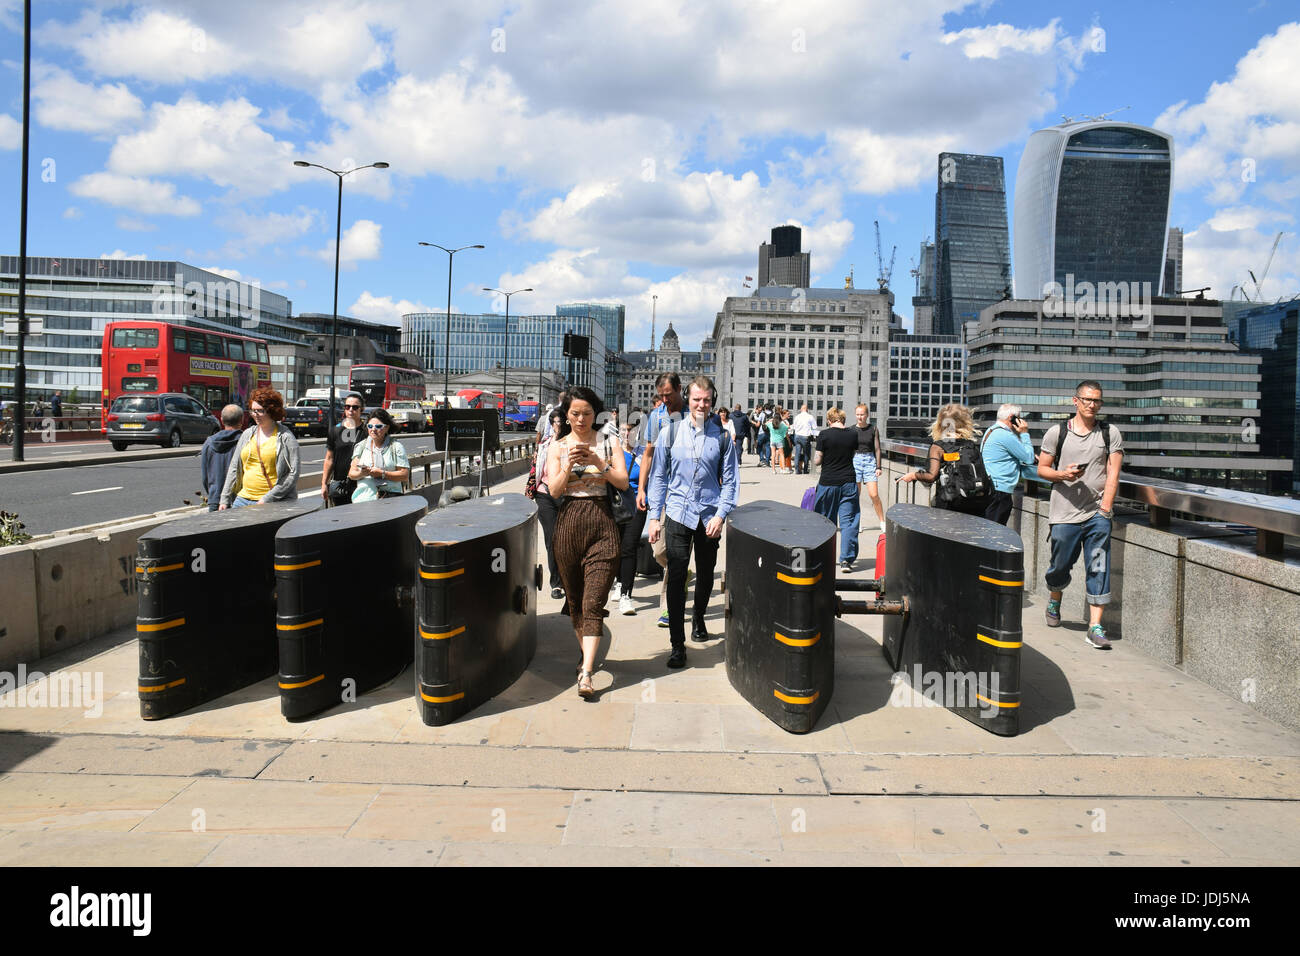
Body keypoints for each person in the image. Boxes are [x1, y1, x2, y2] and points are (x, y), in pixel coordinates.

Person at [646, 375, 739, 669]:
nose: (701, 404)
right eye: (697, 399)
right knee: (675, 575)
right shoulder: (670, 433)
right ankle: (677, 644)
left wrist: (721, 515)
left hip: (709, 515)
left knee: (707, 573)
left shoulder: (722, 437)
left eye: (707, 400)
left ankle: (699, 616)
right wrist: (653, 517)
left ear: (713, 401)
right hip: (677, 513)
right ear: (688, 399)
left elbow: (731, 483)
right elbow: (658, 476)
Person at [547, 387, 629, 699]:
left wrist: (597, 460)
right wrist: (569, 464)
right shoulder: (557, 446)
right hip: (569, 523)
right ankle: (587, 656)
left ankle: (587, 671)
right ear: (566, 415)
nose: (581, 419)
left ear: (596, 413)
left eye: (587, 413)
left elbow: (622, 481)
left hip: (602, 522)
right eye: (575, 413)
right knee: (576, 602)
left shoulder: (609, 441)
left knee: (594, 602)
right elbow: (554, 491)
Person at [1037, 381, 1123, 649]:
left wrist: (1105, 509)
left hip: (1097, 514)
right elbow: (1042, 469)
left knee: (1098, 566)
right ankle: (1055, 597)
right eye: (1087, 400)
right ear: (1075, 401)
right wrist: (1063, 475)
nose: (1091, 405)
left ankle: (1095, 627)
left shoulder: (1110, 433)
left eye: (1097, 401)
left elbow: (1113, 473)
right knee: (1060, 564)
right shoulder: (1057, 432)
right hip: (1063, 513)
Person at [636, 372, 686, 629]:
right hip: (661, 489)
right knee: (659, 551)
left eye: (669, 394)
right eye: (662, 395)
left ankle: (667, 609)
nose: (665, 399)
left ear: (680, 389)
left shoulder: (693, 414)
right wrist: (641, 488)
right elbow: (648, 454)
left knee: (675, 553)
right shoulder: (656, 417)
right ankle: (682, 569)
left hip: (686, 492)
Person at [896, 403, 988, 517]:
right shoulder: (971, 446)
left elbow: (930, 476)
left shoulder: (938, 447)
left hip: (949, 504)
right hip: (975, 504)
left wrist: (913, 475)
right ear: (964, 422)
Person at [219, 387, 300, 508]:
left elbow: (293, 473)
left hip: (272, 501)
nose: (255, 415)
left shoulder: (286, 437)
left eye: (260, 411)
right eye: (252, 411)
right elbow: (234, 467)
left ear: (272, 411)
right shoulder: (247, 434)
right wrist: (224, 499)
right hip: (242, 499)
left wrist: (268, 498)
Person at [812, 407, 860, 572]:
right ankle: (846, 561)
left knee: (826, 520)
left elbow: (818, 461)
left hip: (828, 483)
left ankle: (824, 558)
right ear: (843, 420)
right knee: (849, 522)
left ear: (829, 420)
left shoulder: (824, 435)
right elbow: (851, 455)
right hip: (848, 482)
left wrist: (818, 456)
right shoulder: (853, 434)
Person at [981, 403, 1038, 526]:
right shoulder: (1005, 435)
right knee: (996, 531)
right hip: (1000, 490)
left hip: (991, 486)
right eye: (1019, 417)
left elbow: (1005, 455)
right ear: (1012, 417)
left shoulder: (991, 430)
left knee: (989, 529)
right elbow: (1028, 458)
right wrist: (1024, 433)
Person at [532, 409, 566, 598]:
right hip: (544, 494)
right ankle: (556, 583)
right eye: (554, 422)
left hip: (565, 495)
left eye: (560, 422)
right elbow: (536, 469)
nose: (556, 425)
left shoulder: (570, 444)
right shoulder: (544, 444)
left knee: (567, 539)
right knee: (551, 539)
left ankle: (570, 578)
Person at [612, 427, 645, 616]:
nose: (627, 434)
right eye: (624, 430)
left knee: (629, 547)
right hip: (615, 505)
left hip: (637, 507)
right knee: (616, 547)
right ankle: (618, 581)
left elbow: (650, 478)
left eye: (632, 430)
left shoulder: (644, 454)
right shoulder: (614, 452)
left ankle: (626, 594)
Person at [349, 407, 410, 502]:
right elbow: (351, 473)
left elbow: (404, 475)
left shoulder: (396, 446)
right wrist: (362, 473)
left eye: (378, 427)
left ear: (386, 428)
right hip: (362, 501)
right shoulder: (361, 446)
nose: (373, 430)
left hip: (388, 502)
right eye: (370, 426)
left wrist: (382, 474)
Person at [321, 392, 365, 507]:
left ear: (362, 410)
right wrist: (324, 483)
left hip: (362, 484)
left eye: (355, 407)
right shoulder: (335, 431)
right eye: (347, 407)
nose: (351, 410)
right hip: (340, 486)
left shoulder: (367, 431)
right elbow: (329, 459)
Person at [200, 404, 244, 512]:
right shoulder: (245, 441)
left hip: (215, 498)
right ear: (241, 420)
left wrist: (212, 493)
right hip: (239, 499)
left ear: (221, 419)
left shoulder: (209, 443)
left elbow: (205, 476)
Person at [852, 403, 885, 529]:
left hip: (870, 460)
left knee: (873, 494)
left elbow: (877, 449)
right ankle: (857, 523)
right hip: (855, 460)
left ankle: (882, 521)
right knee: (855, 495)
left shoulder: (873, 429)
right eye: (858, 415)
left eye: (862, 414)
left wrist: (878, 466)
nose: (860, 417)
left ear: (867, 415)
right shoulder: (851, 430)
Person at [792, 404, 816, 475]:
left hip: (797, 436)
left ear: (801, 409)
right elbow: (814, 427)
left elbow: (794, 427)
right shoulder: (810, 417)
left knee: (797, 453)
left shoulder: (797, 417)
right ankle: (805, 470)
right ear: (807, 409)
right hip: (805, 436)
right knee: (806, 454)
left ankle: (797, 470)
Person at [767, 406, 790, 474]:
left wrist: (770, 420)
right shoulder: (782, 424)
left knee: (773, 455)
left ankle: (773, 470)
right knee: (781, 455)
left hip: (772, 441)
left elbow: (765, 424)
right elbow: (788, 427)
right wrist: (782, 420)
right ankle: (783, 469)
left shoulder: (771, 424)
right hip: (780, 440)